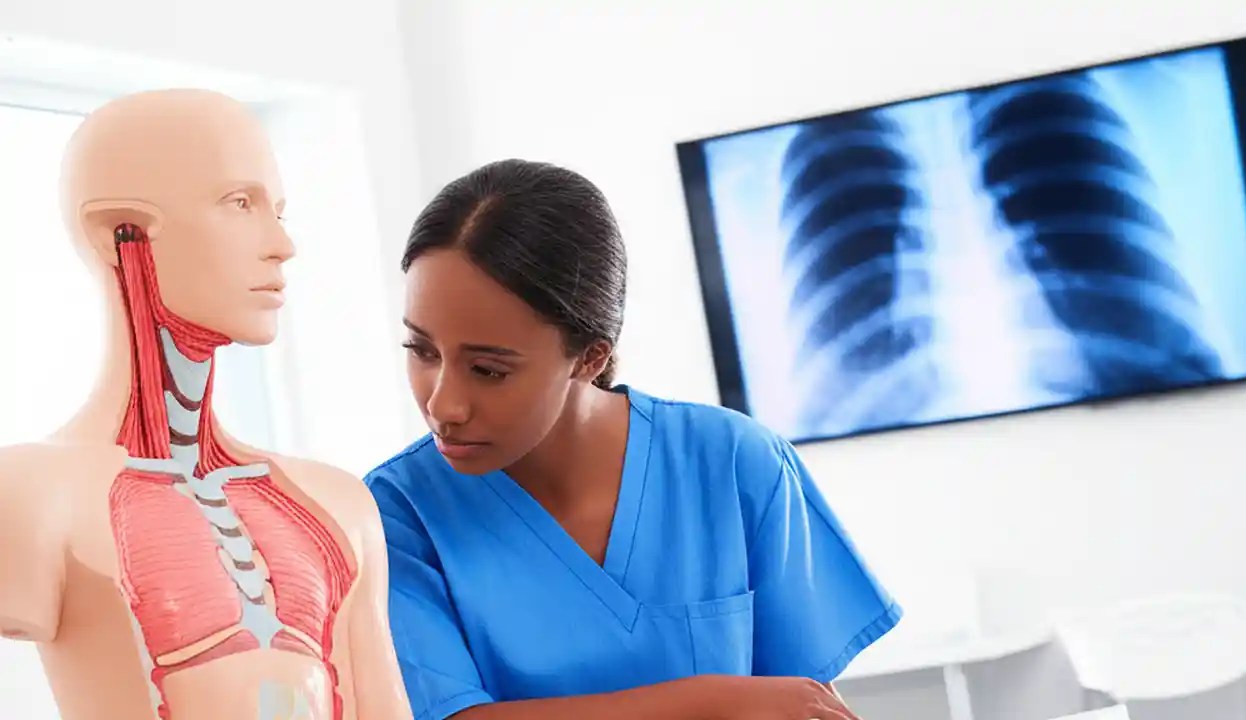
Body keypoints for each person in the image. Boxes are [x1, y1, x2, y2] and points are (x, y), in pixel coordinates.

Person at [364, 158, 902, 720]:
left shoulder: (733, 462)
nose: (442, 405)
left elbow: (801, 703)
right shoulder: (394, 515)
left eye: (488, 370)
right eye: (422, 351)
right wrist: (712, 701)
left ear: (589, 357)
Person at [0, 88, 412, 720]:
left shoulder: (340, 502)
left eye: (278, 210)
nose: (282, 244)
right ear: (117, 231)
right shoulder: (31, 491)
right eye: (240, 203)